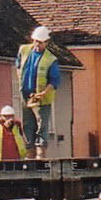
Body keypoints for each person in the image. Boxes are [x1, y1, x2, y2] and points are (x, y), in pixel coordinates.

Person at [17, 25, 62, 157]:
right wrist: (21, 83)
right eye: (36, 41)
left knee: (42, 125)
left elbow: (54, 81)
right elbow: (18, 66)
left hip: (42, 98)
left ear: (46, 43)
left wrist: (43, 93)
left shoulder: (50, 59)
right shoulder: (24, 50)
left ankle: (40, 154)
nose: (37, 44)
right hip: (26, 95)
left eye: (40, 42)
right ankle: (29, 152)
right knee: (28, 124)